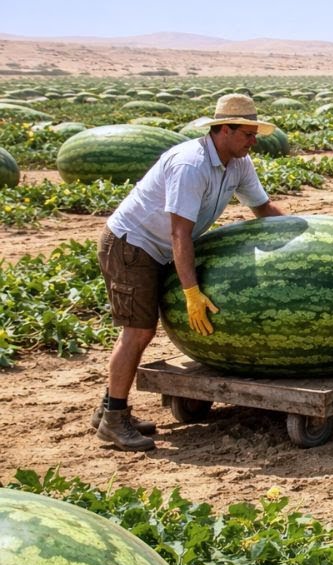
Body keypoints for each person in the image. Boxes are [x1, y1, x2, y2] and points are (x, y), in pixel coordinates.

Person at [93, 94, 285, 451]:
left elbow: (262, 207)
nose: (253, 140)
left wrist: (301, 231)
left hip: (163, 246)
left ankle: (109, 408)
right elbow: (179, 233)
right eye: (247, 133)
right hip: (133, 244)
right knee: (138, 332)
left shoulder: (239, 163)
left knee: (140, 331)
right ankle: (114, 421)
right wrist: (191, 292)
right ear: (223, 130)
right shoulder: (191, 164)